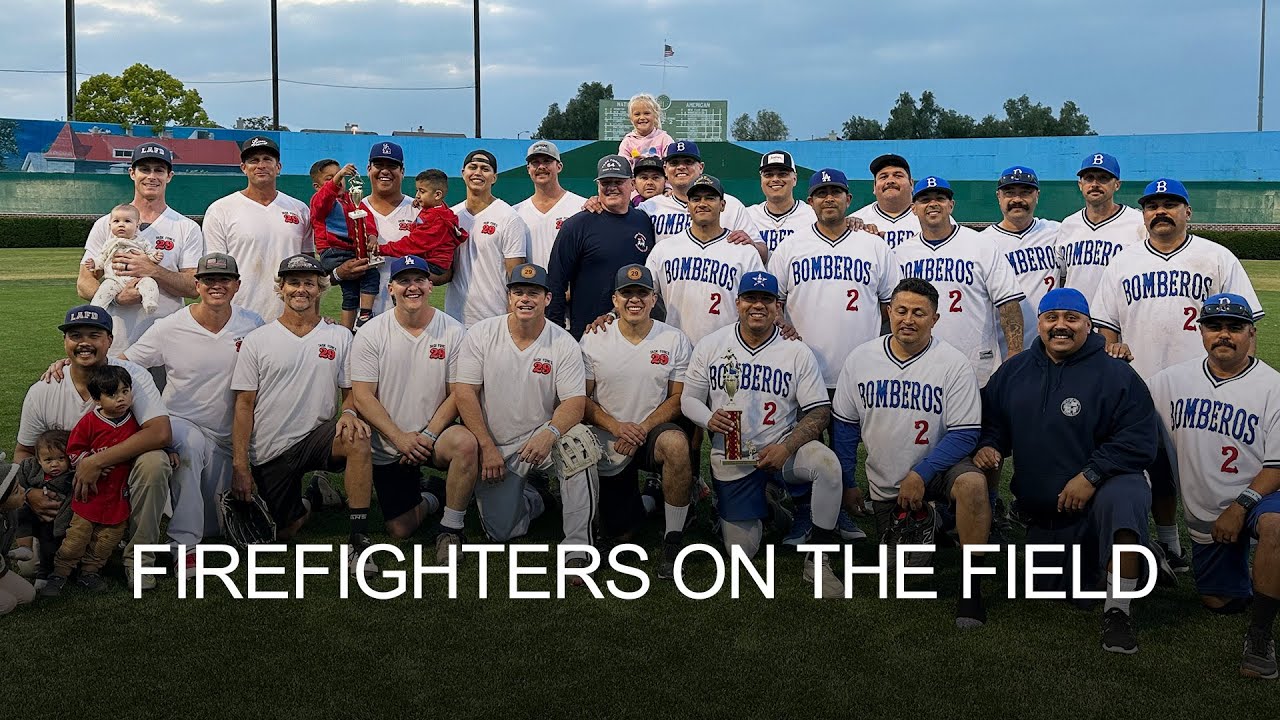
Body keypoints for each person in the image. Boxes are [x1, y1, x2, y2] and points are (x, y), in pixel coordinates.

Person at [1093, 178, 1265, 573]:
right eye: (1153, 205)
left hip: (1206, 385)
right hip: (1142, 384)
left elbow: (1247, 325)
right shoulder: (1124, 261)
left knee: (1215, 468)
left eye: (1170, 204)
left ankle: (1228, 544)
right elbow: (1107, 326)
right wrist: (1112, 346)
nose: (1161, 211)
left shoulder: (1217, 256)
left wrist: (1241, 382)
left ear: (1188, 212)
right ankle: (1170, 543)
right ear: (1144, 214)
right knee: (1152, 466)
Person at [976, 288, 1158, 654]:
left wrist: (1091, 475)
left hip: (1100, 495)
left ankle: (1119, 611)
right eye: (1051, 318)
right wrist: (990, 445)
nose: (1061, 326)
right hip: (1048, 512)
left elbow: (1139, 440)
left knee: (1126, 495)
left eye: (1071, 319)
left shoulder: (1116, 373)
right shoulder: (1014, 370)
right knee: (1052, 590)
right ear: (1039, 323)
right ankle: (1138, 554)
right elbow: (992, 421)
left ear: (1089, 326)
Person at [833, 278, 988, 626]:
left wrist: (922, 473)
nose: (908, 319)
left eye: (919, 313)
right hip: (888, 483)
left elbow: (965, 434)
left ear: (935, 319)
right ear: (889, 312)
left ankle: (970, 590)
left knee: (973, 486)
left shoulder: (953, 363)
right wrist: (847, 481)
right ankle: (939, 521)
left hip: (938, 470)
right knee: (904, 572)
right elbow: (844, 429)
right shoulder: (861, 359)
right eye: (901, 310)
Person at [681, 270, 845, 597]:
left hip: (784, 451)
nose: (758, 305)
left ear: (776, 306)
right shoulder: (712, 345)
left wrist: (786, 446)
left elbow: (819, 411)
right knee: (741, 553)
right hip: (732, 456)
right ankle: (773, 510)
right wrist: (709, 418)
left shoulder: (796, 350)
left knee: (827, 465)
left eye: (766, 299)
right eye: (751, 298)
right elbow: (688, 399)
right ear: (738, 302)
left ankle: (819, 559)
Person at [1148, 294, 1280, 679]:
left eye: (1235, 327)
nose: (1224, 335)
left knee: (1274, 528)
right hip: (1206, 509)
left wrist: (1240, 507)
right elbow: (1127, 398)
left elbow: (1276, 466)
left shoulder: (1272, 386)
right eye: (1215, 326)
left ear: (1251, 333)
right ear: (1200, 330)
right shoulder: (1172, 380)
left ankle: (1259, 638)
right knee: (1219, 601)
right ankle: (1259, 581)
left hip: (1262, 495)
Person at [767, 167, 899, 542]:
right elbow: (770, 301)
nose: (828, 198)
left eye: (836, 192)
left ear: (848, 199)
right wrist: (781, 323)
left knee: (846, 450)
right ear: (810, 202)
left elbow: (891, 305)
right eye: (821, 193)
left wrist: (884, 352)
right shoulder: (791, 245)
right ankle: (807, 514)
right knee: (805, 449)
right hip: (803, 369)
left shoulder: (873, 246)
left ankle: (839, 514)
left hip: (857, 369)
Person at [119, 252, 264, 576]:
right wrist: (74, 365)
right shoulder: (169, 327)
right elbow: (125, 363)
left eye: (224, 279)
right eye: (209, 280)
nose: (217, 286)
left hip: (231, 435)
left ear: (237, 285)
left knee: (215, 526)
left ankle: (174, 513)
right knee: (190, 451)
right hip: (181, 422)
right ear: (195, 285)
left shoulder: (252, 324)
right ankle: (184, 549)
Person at [229, 255, 375, 575]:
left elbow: (349, 393)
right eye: (293, 283)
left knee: (358, 436)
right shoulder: (257, 340)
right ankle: (313, 500)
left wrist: (349, 412)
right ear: (281, 288)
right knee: (283, 531)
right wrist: (241, 466)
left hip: (317, 437)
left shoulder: (339, 336)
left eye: (309, 283)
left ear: (320, 288)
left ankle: (358, 541)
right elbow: (243, 405)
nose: (301, 290)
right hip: (271, 450)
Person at [453, 263, 597, 574]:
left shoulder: (562, 342)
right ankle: (536, 495)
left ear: (547, 299)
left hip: (541, 440)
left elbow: (575, 402)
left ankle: (578, 546)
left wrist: (551, 433)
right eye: (518, 292)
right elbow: (464, 392)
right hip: (496, 446)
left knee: (578, 443)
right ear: (508, 297)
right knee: (503, 532)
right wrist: (485, 445)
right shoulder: (481, 333)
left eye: (534, 292)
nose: (525, 299)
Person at [16, 304, 172, 590]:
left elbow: (161, 432)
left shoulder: (131, 376)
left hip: (117, 481)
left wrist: (95, 462)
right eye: (75, 335)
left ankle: (138, 560)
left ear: (110, 341)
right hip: (64, 491)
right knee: (29, 565)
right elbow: (23, 453)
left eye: (94, 335)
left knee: (155, 461)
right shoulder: (45, 388)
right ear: (65, 343)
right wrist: (29, 494)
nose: (84, 342)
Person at [349, 255, 480, 563]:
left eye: (419, 280)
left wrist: (429, 434)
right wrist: (399, 438)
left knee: (465, 443)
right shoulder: (372, 331)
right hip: (389, 442)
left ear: (430, 285)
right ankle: (435, 495)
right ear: (390, 288)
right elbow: (363, 395)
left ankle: (452, 529)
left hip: (434, 435)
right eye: (404, 281)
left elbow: (457, 393)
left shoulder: (453, 330)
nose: (412, 287)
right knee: (399, 528)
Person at [581, 264, 694, 577]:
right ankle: (649, 498)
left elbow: (677, 398)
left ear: (653, 298)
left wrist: (642, 429)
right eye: (626, 293)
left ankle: (673, 541)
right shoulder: (594, 338)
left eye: (641, 293)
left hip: (651, 433)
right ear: (615, 300)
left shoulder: (674, 339)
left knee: (675, 444)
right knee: (623, 532)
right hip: (608, 435)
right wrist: (617, 427)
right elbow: (582, 400)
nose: (634, 300)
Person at [893, 176, 1025, 387]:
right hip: (919, 365)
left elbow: (1008, 303)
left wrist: (1015, 352)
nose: (933, 204)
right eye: (925, 199)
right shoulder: (900, 253)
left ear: (951, 205)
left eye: (940, 198)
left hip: (978, 366)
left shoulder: (982, 245)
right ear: (913, 209)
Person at [76, 142, 201, 357]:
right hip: (115, 342)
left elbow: (192, 288)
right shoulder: (107, 223)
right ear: (132, 173)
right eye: (144, 169)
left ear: (169, 176)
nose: (151, 176)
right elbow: (83, 283)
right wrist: (117, 297)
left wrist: (152, 270)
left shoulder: (185, 227)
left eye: (159, 170)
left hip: (165, 345)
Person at [40, 366, 147, 596]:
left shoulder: (136, 423)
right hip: (89, 497)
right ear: (97, 399)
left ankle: (90, 572)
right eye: (112, 394)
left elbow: (147, 444)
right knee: (76, 539)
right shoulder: (90, 422)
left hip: (118, 499)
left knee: (106, 542)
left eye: (125, 391)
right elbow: (73, 452)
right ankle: (59, 574)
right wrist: (92, 460)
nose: (121, 399)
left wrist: (168, 452)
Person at [644, 174, 766, 345]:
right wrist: (613, 314)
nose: (702, 204)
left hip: (728, 349)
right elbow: (642, 294)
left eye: (710, 198)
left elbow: (761, 303)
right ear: (688, 206)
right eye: (696, 199)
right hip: (675, 348)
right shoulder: (664, 249)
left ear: (723, 205)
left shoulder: (745, 252)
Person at [203, 136, 313, 323]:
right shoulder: (220, 209)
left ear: (278, 167)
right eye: (253, 160)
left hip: (290, 316)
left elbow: (309, 269)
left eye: (267, 159)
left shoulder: (299, 209)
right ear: (243, 168)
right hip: (238, 316)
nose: (260, 165)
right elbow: (215, 271)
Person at [547, 155, 656, 339]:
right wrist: (555, 335)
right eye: (605, 182)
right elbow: (556, 284)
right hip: (589, 333)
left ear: (631, 184)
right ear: (597, 185)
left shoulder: (644, 220)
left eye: (618, 181)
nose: (612, 187)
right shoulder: (576, 226)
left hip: (638, 334)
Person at [980, 166, 1062, 353]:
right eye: (1009, 193)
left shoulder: (1057, 232)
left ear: (1037, 195)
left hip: (1052, 344)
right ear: (998, 196)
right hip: (1003, 347)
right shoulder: (983, 242)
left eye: (1025, 192)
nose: (1017, 199)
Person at [445, 149, 530, 328]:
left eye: (485, 169)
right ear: (463, 173)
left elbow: (515, 275)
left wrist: (513, 319)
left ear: (494, 177)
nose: (478, 172)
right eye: (472, 167)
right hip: (455, 318)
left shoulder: (508, 217)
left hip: (495, 319)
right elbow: (446, 270)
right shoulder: (451, 216)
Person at [637, 141, 764, 257]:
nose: (681, 167)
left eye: (688, 162)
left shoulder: (732, 205)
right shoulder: (649, 208)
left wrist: (751, 246)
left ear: (701, 167)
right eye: (674, 163)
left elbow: (763, 253)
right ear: (665, 169)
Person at [1056, 152, 1146, 305]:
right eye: (1089, 178)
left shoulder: (1138, 222)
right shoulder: (1068, 225)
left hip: (1120, 317)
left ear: (1117, 184)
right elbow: (1062, 275)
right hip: (1077, 319)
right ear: (1080, 185)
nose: (1095, 184)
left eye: (1103, 178)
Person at [308, 159, 380, 330]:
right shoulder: (319, 200)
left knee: (351, 293)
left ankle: (350, 328)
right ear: (317, 186)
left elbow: (366, 219)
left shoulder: (351, 199)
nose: (338, 180)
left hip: (350, 252)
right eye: (329, 178)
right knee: (369, 275)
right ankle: (364, 316)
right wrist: (338, 176)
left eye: (340, 175)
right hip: (333, 253)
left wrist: (372, 236)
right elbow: (323, 200)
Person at [358, 141, 419, 317]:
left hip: (408, 315)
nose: (385, 171)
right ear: (368, 169)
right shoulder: (353, 209)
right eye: (378, 165)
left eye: (392, 165)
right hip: (360, 316)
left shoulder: (417, 210)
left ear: (402, 172)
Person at [377, 169, 468, 282]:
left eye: (422, 191)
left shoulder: (436, 220)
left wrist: (381, 249)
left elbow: (412, 244)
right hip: (434, 261)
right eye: (417, 191)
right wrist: (422, 204)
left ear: (437, 195)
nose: (417, 196)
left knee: (399, 276)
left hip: (434, 265)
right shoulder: (439, 209)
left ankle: (401, 300)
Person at [11, 429, 73, 588]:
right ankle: (25, 547)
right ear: (38, 460)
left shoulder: (70, 477)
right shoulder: (29, 468)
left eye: (61, 458)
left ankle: (44, 574)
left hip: (54, 520)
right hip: (31, 513)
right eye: (48, 460)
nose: (55, 464)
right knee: (20, 511)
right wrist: (29, 494)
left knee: (48, 542)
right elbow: (18, 484)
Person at [514, 141, 585, 269]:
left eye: (547, 161)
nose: (541, 166)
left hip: (570, 288)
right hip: (532, 287)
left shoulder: (581, 206)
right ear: (528, 169)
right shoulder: (516, 213)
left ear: (559, 166)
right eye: (535, 162)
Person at [89, 204, 162, 314]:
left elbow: (150, 257)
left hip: (138, 279)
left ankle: (149, 302)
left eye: (127, 221)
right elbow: (102, 258)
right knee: (104, 290)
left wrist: (155, 257)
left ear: (137, 225)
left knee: (150, 283)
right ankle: (96, 310)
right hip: (114, 279)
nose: (121, 225)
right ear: (110, 224)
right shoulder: (109, 243)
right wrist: (94, 264)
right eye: (116, 221)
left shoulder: (142, 242)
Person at [746, 150, 817, 253]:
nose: (775, 179)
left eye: (782, 174)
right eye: (768, 175)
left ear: (795, 179)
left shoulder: (812, 215)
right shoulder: (748, 215)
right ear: (761, 181)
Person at [851, 154, 921, 250]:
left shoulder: (933, 218)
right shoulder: (856, 222)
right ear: (874, 187)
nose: (890, 181)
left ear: (911, 184)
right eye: (883, 177)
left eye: (898, 176)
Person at [0, 462, 36, 616]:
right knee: (7, 603)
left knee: (28, 595)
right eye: (16, 492)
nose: (23, 491)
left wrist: (13, 554)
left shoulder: (11, 511)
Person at [617, 93, 674, 164]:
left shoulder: (665, 139)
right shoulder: (627, 142)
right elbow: (623, 167)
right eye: (637, 114)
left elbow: (671, 164)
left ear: (655, 115)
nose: (642, 118)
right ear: (631, 118)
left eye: (646, 113)